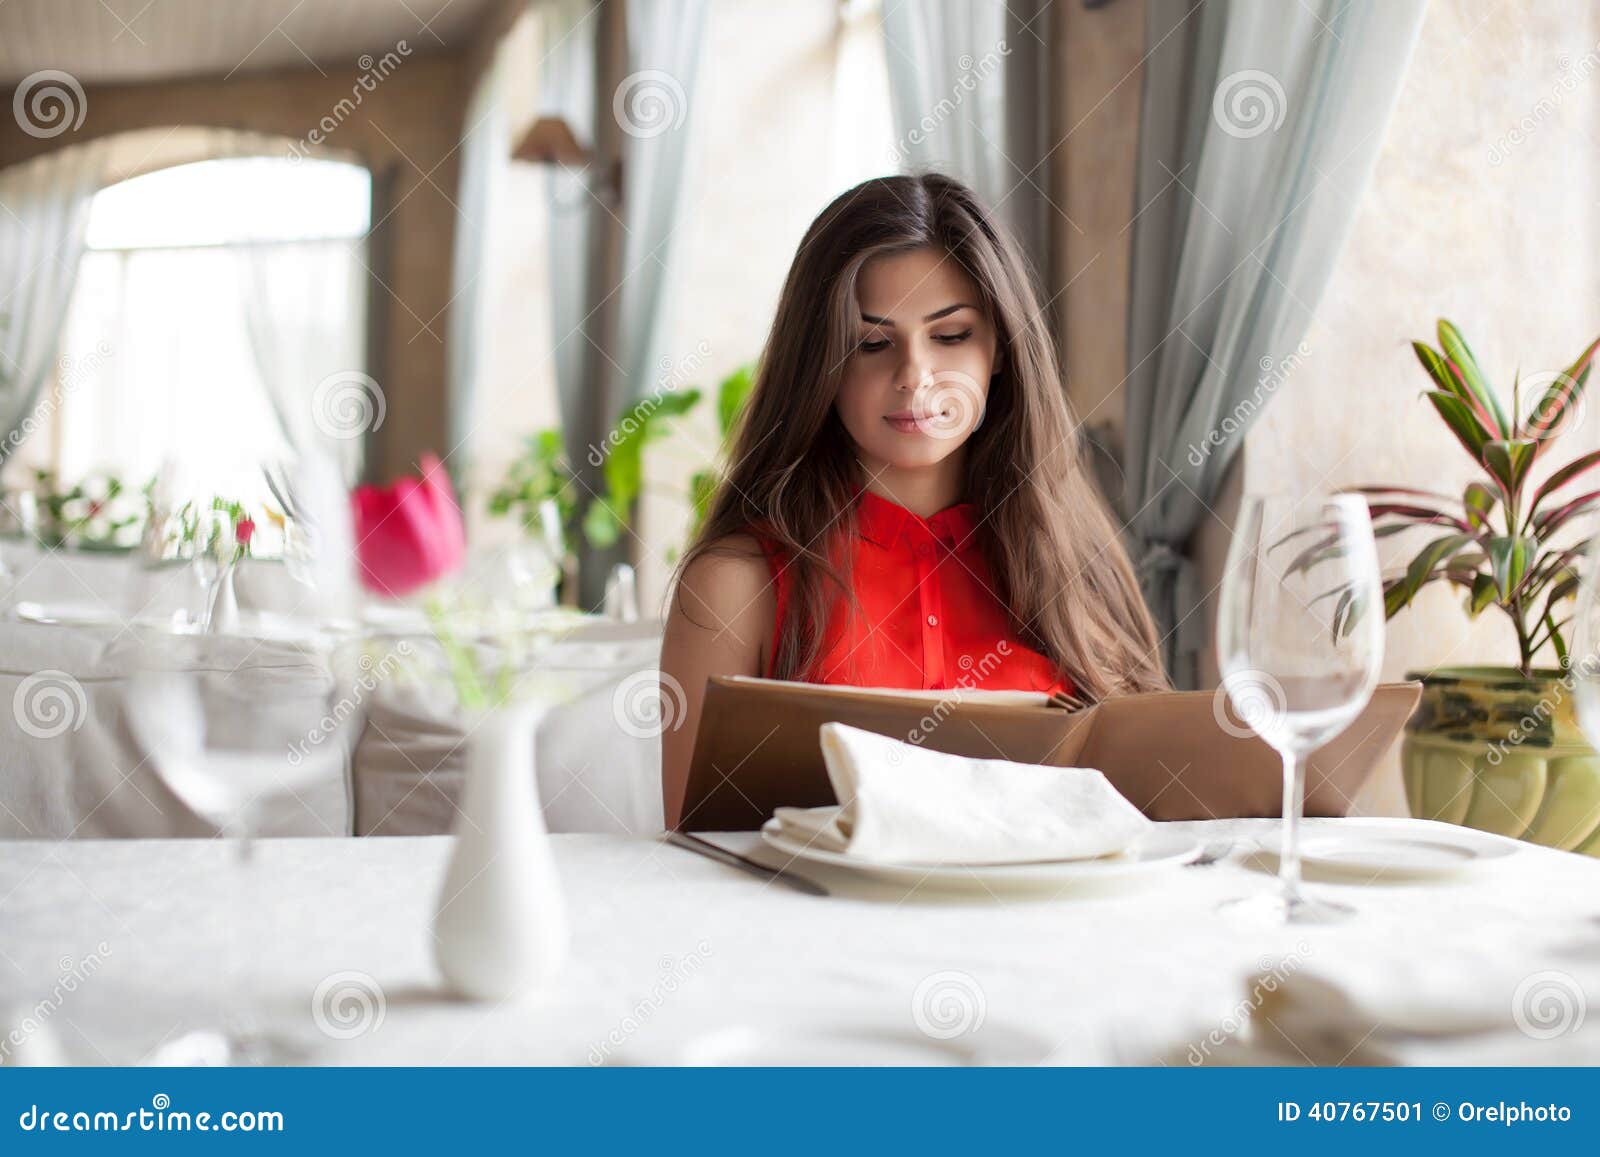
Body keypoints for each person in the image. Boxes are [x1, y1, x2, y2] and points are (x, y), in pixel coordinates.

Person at [659, 173, 1168, 825]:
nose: (915, 378)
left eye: (950, 335)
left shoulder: (1078, 563)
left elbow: (1151, 819)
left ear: (1001, 351)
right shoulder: (734, 587)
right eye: (871, 343)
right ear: (820, 363)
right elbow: (694, 858)